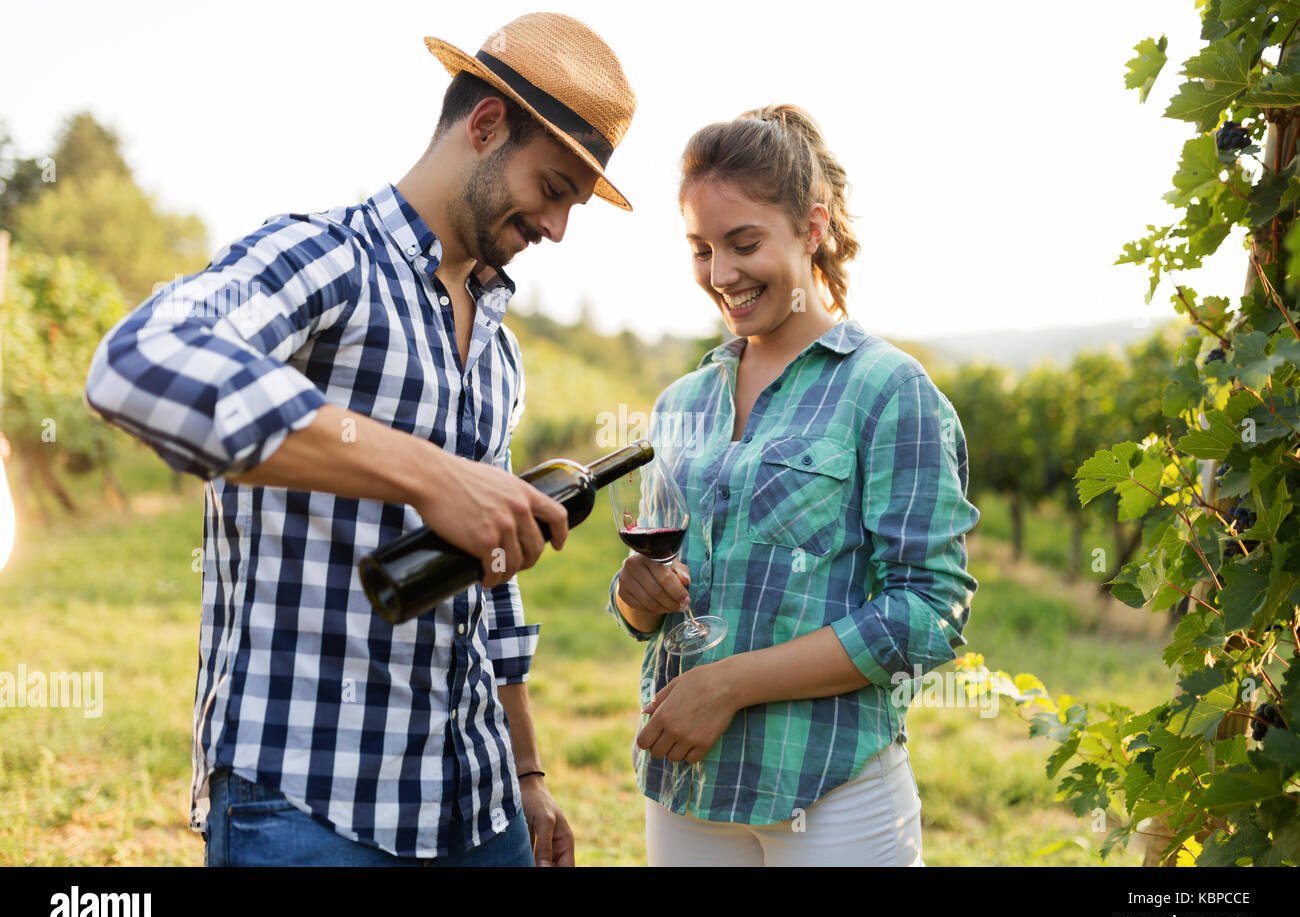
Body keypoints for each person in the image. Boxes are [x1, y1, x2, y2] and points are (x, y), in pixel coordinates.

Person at [83, 12, 637, 867]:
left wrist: (525, 772)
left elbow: (491, 575)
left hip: (476, 803)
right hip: (311, 803)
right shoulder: (323, 257)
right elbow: (138, 360)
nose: (558, 226)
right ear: (485, 124)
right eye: (554, 187)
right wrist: (427, 475)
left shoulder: (500, 344)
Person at [606, 104, 980, 866]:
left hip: (831, 788)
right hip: (687, 785)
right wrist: (635, 595)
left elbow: (927, 612)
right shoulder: (682, 402)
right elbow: (658, 600)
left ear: (812, 229)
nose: (721, 275)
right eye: (701, 249)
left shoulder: (886, 389)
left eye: (744, 243)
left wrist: (731, 685)